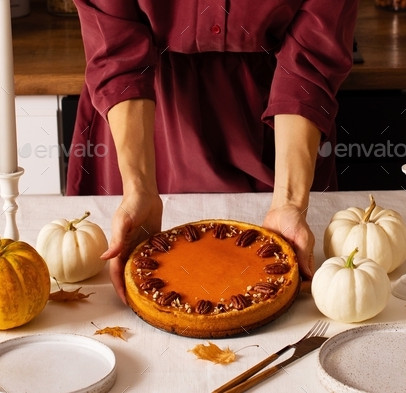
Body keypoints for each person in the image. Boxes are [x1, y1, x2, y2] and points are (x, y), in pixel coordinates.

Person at [66, 0, 359, 304]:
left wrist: (289, 202)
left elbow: (311, 56)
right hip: (144, 119)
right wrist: (138, 189)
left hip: (281, 120)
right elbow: (117, 48)